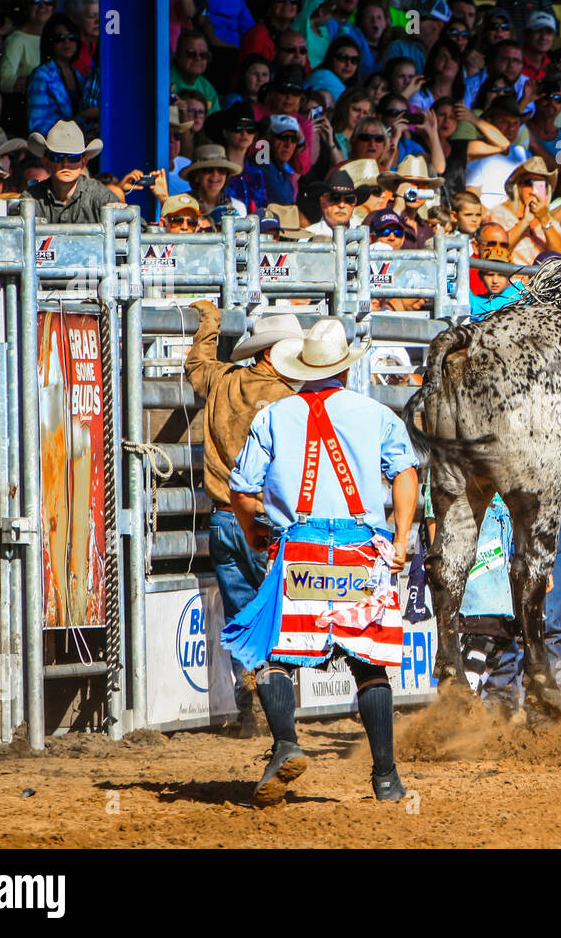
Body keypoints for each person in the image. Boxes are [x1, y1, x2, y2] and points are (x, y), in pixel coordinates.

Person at [224, 318, 418, 805]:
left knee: (275, 655)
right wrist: (402, 536)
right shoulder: (374, 414)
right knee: (369, 663)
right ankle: (387, 778)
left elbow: (242, 489)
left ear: (302, 368)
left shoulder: (274, 415)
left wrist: (254, 533)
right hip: (363, 550)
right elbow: (406, 471)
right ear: (345, 370)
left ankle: (287, 743)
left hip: (300, 548)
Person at [185, 303, 303, 738]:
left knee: (241, 617)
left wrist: (209, 323)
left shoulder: (223, 381)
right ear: (273, 354)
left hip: (222, 518)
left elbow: (197, 364)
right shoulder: (290, 402)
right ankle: (280, 714)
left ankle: (248, 707)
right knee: (279, 616)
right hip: (268, 522)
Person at [19, 120, 117, 223]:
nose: (65, 164)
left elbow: (124, 229)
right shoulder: (31, 198)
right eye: (58, 157)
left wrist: (119, 211)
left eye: (73, 157)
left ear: (83, 162)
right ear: (46, 162)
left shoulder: (101, 197)